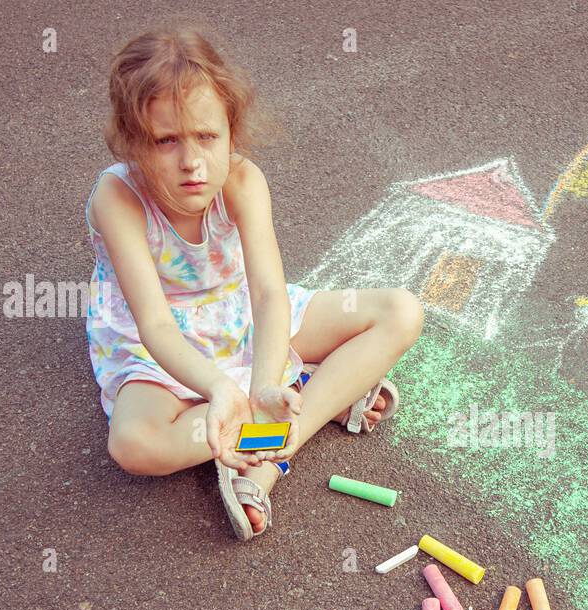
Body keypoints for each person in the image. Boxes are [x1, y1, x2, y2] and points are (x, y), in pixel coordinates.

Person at [84, 27, 423, 539]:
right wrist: (220, 388)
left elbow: (267, 295)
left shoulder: (242, 179)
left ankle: (266, 455)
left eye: (207, 136)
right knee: (134, 446)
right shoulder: (118, 197)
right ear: (133, 143)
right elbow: (154, 321)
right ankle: (316, 390)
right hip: (160, 346)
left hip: (239, 314)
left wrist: (264, 385)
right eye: (166, 141)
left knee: (400, 311)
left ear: (231, 128)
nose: (192, 162)